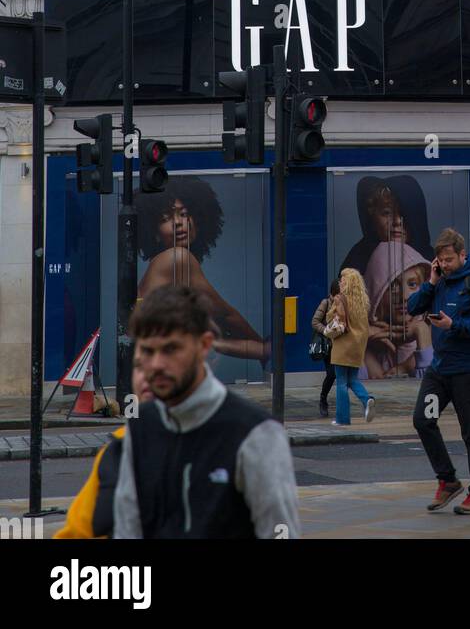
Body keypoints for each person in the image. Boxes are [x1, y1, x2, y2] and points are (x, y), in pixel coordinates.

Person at [113, 285, 299, 539]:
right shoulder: (141, 427)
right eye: (147, 351)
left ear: (204, 345)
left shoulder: (256, 432)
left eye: (170, 349)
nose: (156, 364)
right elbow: (127, 528)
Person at [408, 228, 470, 515]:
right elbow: (413, 307)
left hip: (468, 370)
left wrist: (453, 325)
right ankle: (447, 480)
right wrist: (431, 282)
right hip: (440, 369)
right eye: (440, 261)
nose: (444, 265)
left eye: (448, 260)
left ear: (461, 254)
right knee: (423, 420)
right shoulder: (440, 282)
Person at [136, 178, 267, 365]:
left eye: (184, 213)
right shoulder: (176, 258)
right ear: (154, 233)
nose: (178, 223)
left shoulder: (162, 263)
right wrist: (265, 348)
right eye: (165, 219)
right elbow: (225, 315)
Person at [54, 359, 154, 540]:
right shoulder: (117, 452)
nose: (150, 375)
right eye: (141, 363)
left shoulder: (217, 442)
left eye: (171, 350)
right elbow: (78, 532)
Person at [363, 241, 433, 379]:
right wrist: (361, 340)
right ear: (376, 293)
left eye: (412, 284)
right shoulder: (369, 350)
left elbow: (431, 393)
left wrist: (422, 331)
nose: (404, 296)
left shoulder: (436, 341)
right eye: (393, 287)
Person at [340, 174, 434, 274]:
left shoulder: (433, 263)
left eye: (404, 213)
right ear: (373, 217)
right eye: (387, 213)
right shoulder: (355, 263)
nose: (397, 221)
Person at [328, 268, 375, 427]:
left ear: (347, 283)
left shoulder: (340, 299)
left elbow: (333, 318)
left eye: (342, 279)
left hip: (343, 345)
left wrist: (333, 305)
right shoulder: (362, 301)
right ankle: (366, 399)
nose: (340, 282)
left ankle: (342, 419)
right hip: (358, 346)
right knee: (352, 379)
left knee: (341, 382)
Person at [311, 279, 340, 418]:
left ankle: (342, 407)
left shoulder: (345, 304)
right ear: (333, 294)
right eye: (338, 295)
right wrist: (326, 331)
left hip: (341, 345)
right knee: (332, 374)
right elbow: (315, 322)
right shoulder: (326, 303)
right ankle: (323, 399)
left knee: (342, 376)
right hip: (328, 346)